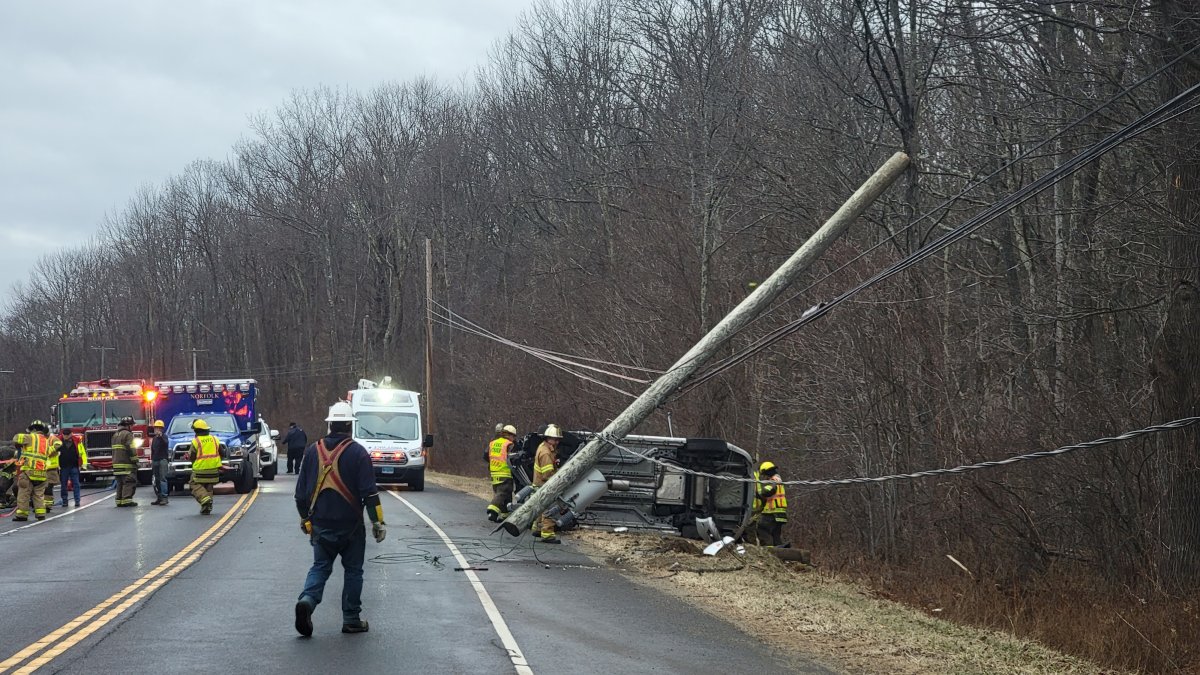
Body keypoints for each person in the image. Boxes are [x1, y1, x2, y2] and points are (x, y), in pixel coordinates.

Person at [294, 401, 386, 637]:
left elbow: (300, 494)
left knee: (320, 567)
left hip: (321, 525)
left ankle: (307, 600)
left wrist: (305, 518)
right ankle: (351, 619)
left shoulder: (312, 451)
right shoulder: (358, 453)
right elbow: (370, 494)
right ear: (350, 426)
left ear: (329, 425)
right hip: (351, 527)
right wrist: (378, 523)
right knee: (353, 571)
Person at [12, 420, 60, 521]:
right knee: (39, 495)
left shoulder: (30, 437)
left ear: (33, 429)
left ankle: (22, 515)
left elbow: (16, 438)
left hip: (29, 472)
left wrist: (24, 438)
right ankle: (40, 514)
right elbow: (51, 452)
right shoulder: (47, 442)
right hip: (42, 473)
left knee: (24, 493)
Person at [532, 424, 564, 544]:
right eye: (555, 439)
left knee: (540, 508)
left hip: (539, 483)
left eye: (558, 439)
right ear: (548, 438)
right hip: (545, 484)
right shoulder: (546, 453)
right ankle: (548, 534)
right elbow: (547, 474)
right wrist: (559, 480)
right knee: (550, 508)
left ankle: (538, 528)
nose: (557, 442)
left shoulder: (543, 447)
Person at [188, 419, 223, 514]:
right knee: (208, 486)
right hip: (214, 472)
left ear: (196, 431)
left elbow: (192, 456)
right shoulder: (215, 439)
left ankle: (204, 498)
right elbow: (222, 452)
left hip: (200, 471)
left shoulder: (196, 441)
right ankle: (206, 508)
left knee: (193, 483)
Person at [486, 424, 517, 522]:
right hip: (505, 473)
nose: (514, 439)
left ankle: (505, 515)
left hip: (494, 473)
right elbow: (514, 458)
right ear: (510, 435)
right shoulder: (509, 444)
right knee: (503, 492)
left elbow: (486, 455)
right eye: (513, 436)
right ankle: (492, 509)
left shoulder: (493, 443)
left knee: (505, 494)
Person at [754, 461, 788, 547]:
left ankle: (769, 551)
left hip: (771, 513)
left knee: (762, 530)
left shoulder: (773, 481)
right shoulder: (779, 480)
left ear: (767, 472)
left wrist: (757, 493)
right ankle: (782, 551)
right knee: (775, 535)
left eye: (764, 474)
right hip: (780, 514)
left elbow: (767, 491)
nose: (764, 477)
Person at [110, 417, 138, 507]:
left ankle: (119, 500)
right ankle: (126, 500)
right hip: (126, 463)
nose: (132, 427)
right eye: (132, 425)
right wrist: (135, 460)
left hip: (116, 464)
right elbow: (131, 448)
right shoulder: (128, 434)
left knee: (120, 483)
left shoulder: (115, 435)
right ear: (128, 426)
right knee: (129, 482)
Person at [58, 432, 87, 508]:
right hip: (63, 467)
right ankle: (64, 501)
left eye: (67, 435)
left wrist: (83, 465)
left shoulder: (77, 441)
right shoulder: (58, 441)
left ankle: (77, 501)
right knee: (64, 485)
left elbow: (82, 453)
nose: (65, 436)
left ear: (71, 434)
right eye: (64, 435)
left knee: (76, 484)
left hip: (74, 466)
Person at [150, 420, 170, 506]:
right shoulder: (154, 439)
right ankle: (159, 497)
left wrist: (161, 436)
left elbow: (166, 443)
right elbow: (153, 450)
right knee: (157, 480)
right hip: (155, 460)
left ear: (162, 429)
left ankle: (165, 498)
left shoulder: (164, 437)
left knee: (162, 479)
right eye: (156, 428)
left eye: (159, 428)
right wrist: (152, 460)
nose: (157, 430)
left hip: (162, 460)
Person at [42, 429, 62, 513]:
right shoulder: (40, 439)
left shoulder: (53, 439)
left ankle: (48, 505)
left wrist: (47, 450)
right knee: (40, 487)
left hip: (51, 467)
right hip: (41, 467)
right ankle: (41, 504)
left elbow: (59, 444)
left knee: (48, 487)